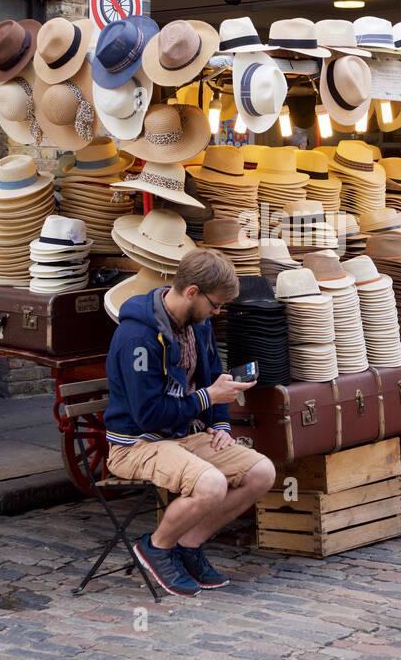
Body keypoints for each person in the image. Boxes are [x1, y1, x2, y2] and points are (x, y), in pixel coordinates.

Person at [104, 249, 276, 597]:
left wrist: (221, 425)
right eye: (215, 304)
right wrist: (208, 399)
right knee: (211, 484)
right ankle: (157, 547)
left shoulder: (200, 325)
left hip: (182, 434)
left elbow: (214, 378)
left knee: (262, 473)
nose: (217, 312)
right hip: (136, 443)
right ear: (192, 292)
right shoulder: (137, 338)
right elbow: (149, 414)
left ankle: (188, 544)